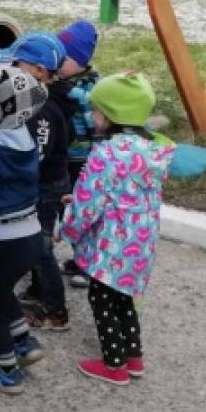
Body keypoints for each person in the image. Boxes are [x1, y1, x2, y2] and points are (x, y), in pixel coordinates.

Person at [60, 73, 174, 386]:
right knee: (123, 295)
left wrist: (67, 228)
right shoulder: (152, 152)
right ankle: (133, 356)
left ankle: (114, 364)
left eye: (95, 110)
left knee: (100, 298)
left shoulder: (106, 153)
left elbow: (88, 205)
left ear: (111, 115)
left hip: (111, 246)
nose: (91, 116)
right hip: (141, 243)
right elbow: (124, 193)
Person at [0, 66, 51, 395]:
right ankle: (22, 342)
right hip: (30, 234)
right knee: (3, 291)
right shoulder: (24, 141)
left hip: (1, 238)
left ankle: (4, 368)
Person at [0, 33, 72, 327]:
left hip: (45, 185)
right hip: (43, 180)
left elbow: (37, 154)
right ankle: (40, 291)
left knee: (40, 247)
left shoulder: (42, 109)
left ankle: (55, 310)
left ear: (39, 71)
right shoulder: (37, 99)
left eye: (17, 64)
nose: (11, 69)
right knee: (36, 243)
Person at [54, 20, 102, 291]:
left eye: (64, 58)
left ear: (81, 61)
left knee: (83, 210)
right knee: (66, 211)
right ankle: (79, 257)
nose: (58, 62)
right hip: (62, 157)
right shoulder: (57, 81)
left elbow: (95, 113)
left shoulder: (92, 86)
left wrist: (71, 95)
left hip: (84, 160)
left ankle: (90, 263)